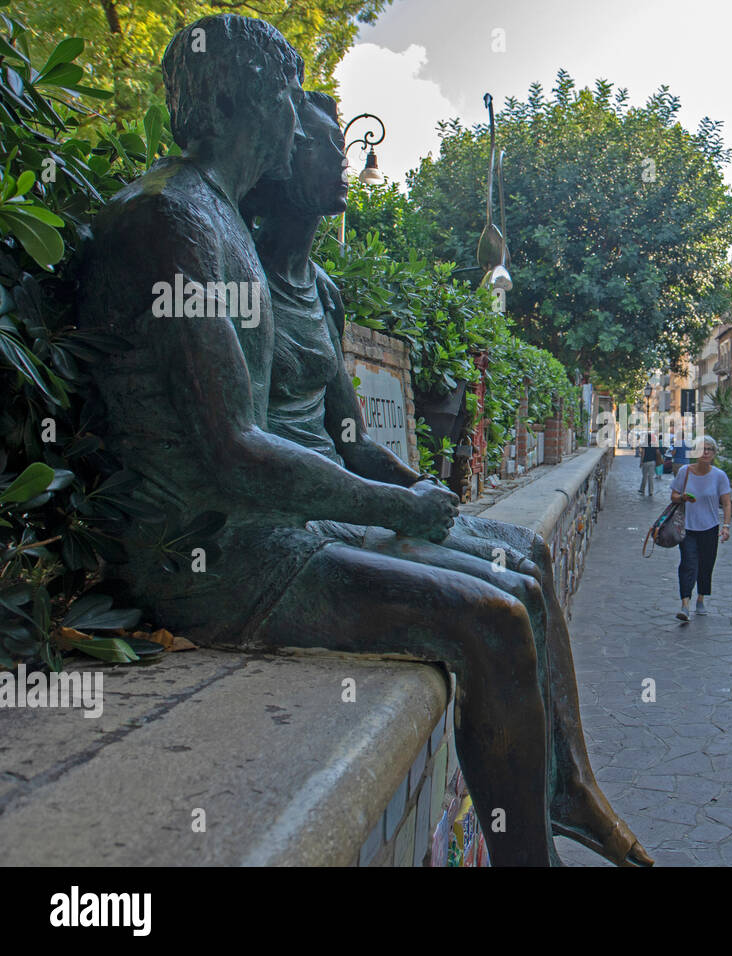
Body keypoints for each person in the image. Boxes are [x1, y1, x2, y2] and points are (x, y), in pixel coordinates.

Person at [79, 15, 556, 867]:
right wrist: (390, 502)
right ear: (239, 102)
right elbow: (234, 451)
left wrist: (391, 500)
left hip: (267, 531)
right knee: (490, 620)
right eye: (284, 103)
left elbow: (298, 434)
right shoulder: (172, 221)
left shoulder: (220, 224)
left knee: (507, 589)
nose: (299, 127)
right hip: (213, 561)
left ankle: (551, 825)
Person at [238, 89, 650, 866]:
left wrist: (424, 496)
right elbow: (252, 450)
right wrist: (396, 501)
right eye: (325, 146)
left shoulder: (320, 290)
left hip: (343, 501)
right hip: (299, 521)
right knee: (497, 613)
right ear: (283, 160)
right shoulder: (242, 276)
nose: (341, 164)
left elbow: (350, 436)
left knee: (525, 565)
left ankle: (574, 790)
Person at [668, 436, 731, 621]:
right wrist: (683, 498)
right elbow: (673, 496)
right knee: (688, 563)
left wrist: (726, 526)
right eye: (702, 449)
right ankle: (685, 604)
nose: (705, 452)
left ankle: (701, 598)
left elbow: (726, 503)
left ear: (714, 453)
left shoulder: (719, 476)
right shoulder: (684, 472)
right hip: (687, 527)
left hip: (710, 527)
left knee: (706, 565)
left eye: (709, 449)